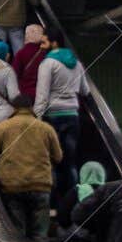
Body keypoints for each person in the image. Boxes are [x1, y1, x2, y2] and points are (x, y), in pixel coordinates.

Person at [0, 94, 61, 239]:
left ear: (13, 109)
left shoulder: (2, 127)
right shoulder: (46, 128)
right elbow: (58, 157)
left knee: (18, 234)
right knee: (39, 235)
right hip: (40, 186)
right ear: (31, 108)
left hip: (13, 186)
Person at [34, 42, 86, 198]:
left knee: (51, 160)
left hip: (53, 117)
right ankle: (72, 197)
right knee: (70, 161)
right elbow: (85, 90)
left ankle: (53, 197)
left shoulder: (48, 63)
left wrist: (37, 116)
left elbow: (42, 93)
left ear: (53, 43)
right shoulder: (77, 63)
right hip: (72, 116)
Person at [12, 24, 49, 100]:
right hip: (43, 92)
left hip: (25, 93)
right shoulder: (45, 52)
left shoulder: (21, 53)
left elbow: (15, 73)